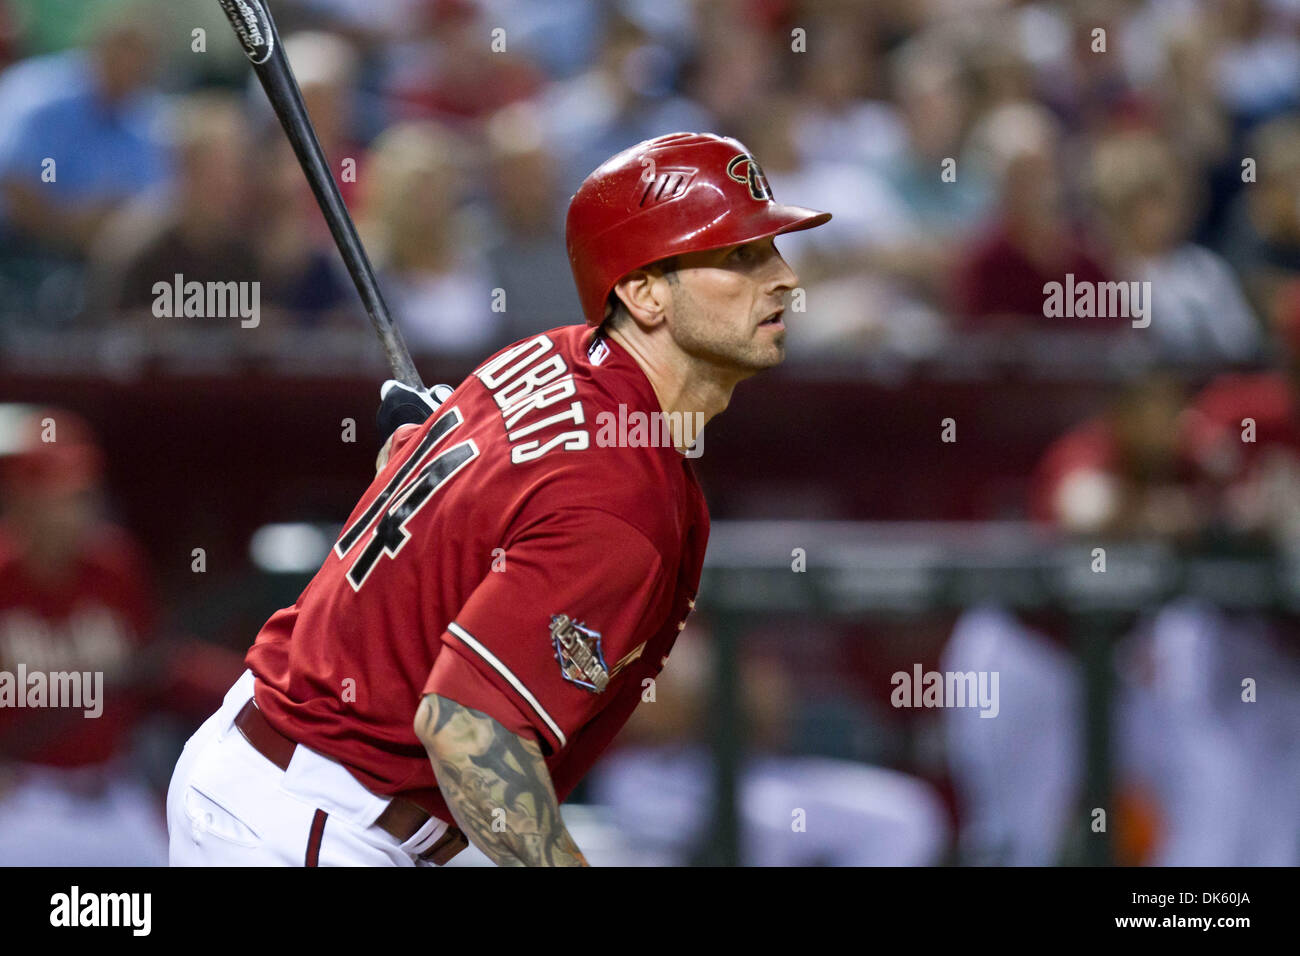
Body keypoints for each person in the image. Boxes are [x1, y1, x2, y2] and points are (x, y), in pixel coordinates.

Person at [165, 132, 830, 867]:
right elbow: (467, 729)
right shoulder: (619, 496)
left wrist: (418, 451)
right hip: (317, 818)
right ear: (644, 293)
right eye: (742, 256)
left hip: (300, 777)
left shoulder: (557, 354)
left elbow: (453, 497)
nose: (784, 277)